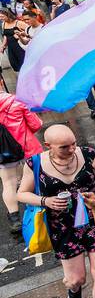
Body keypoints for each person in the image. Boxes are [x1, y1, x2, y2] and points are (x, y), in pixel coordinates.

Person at [16, 125, 95, 298]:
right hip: (62, 226)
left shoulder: (89, 154)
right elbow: (21, 193)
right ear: (48, 146)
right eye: (64, 147)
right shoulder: (35, 163)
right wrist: (45, 201)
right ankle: (74, 291)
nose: (72, 149)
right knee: (76, 279)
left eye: (74, 143)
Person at [0, 84, 43, 237]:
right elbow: (35, 124)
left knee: (8, 183)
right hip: (26, 146)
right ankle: (41, 207)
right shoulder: (16, 101)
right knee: (37, 177)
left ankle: (15, 218)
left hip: (3, 152)